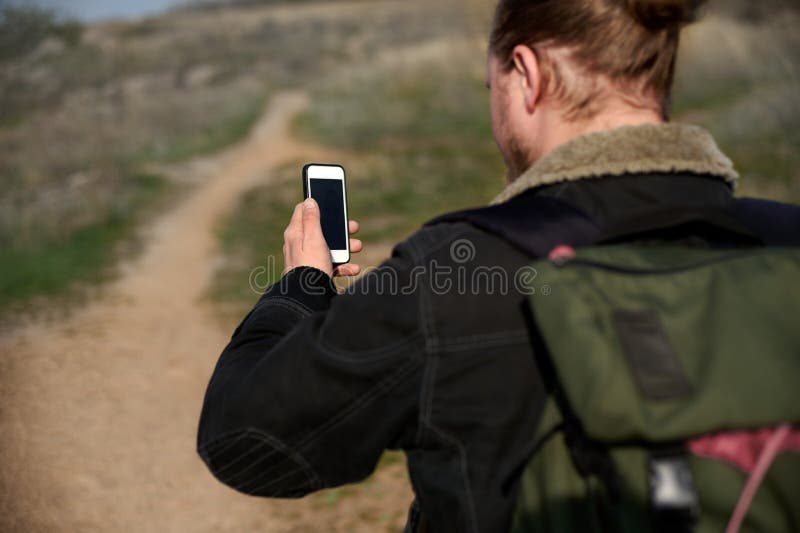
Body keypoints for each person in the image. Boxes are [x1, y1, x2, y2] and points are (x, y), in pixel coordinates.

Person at [196, 1, 799, 531]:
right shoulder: (786, 241)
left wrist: (303, 283)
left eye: (492, 88)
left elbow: (244, 439)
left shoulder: (451, 274)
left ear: (527, 76)